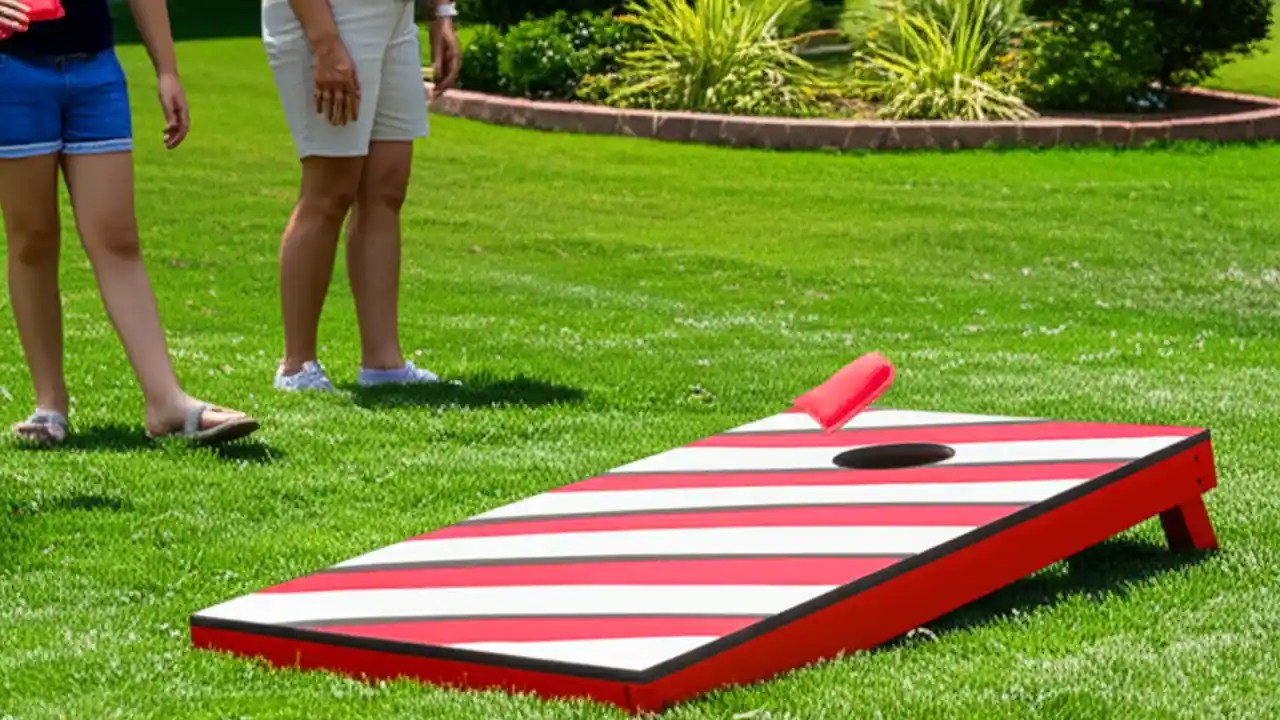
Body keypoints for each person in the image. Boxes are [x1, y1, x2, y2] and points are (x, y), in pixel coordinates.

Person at [0, 0, 259, 445]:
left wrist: (167, 71)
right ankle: (50, 405)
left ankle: (166, 403)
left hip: (96, 71)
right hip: (12, 73)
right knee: (33, 240)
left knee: (118, 238)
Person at [263, 0, 461, 392]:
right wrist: (324, 43)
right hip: (330, 16)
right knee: (330, 190)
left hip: (394, 19)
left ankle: (383, 364)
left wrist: (441, 14)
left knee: (386, 188)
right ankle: (296, 366)